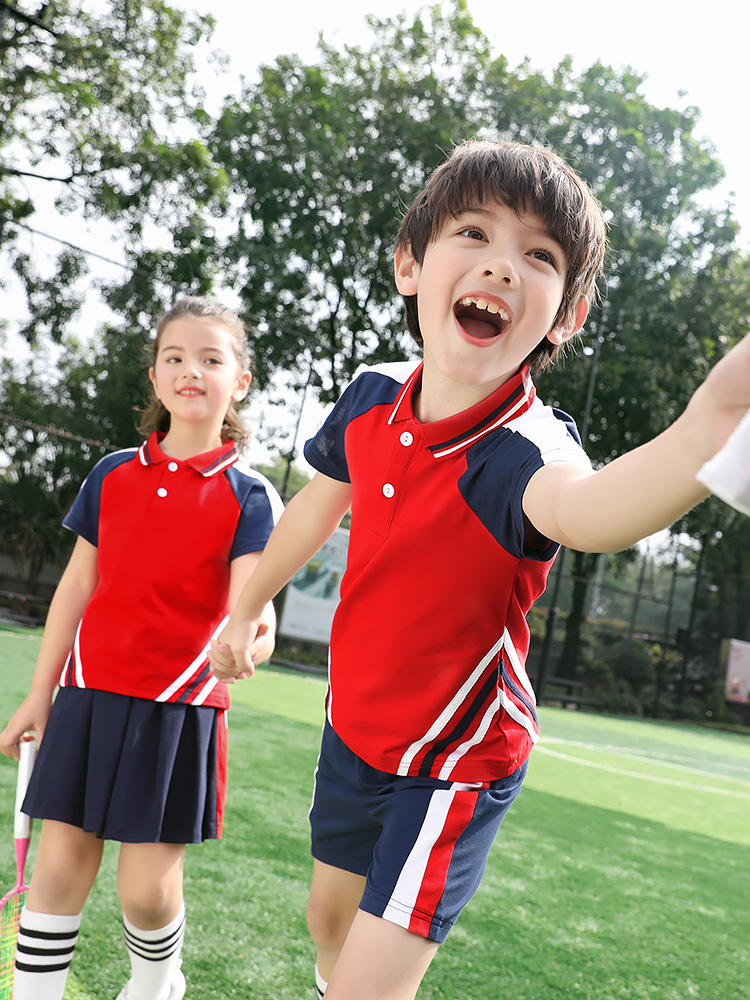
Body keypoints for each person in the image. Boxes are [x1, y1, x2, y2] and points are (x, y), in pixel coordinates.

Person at [209, 140, 750, 1000]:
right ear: (410, 266)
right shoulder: (370, 394)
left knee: (367, 986)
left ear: (565, 318)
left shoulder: (523, 450)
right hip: (354, 725)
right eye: (474, 233)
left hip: (457, 759)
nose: (503, 265)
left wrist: (711, 420)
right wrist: (246, 606)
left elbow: (593, 510)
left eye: (540, 255)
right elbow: (319, 501)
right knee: (328, 925)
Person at [0, 296, 283, 1000]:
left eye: (212, 359)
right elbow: (73, 592)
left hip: (177, 711)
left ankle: (158, 982)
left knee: (146, 894)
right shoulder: (113, 474)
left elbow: (255, 605)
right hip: (87, 699)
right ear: (155, 378)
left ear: (239, 381)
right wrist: (40, 694)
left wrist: (249, 639)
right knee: (60, 870)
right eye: (175, 358)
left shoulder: (251, 495)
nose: (192, 370)